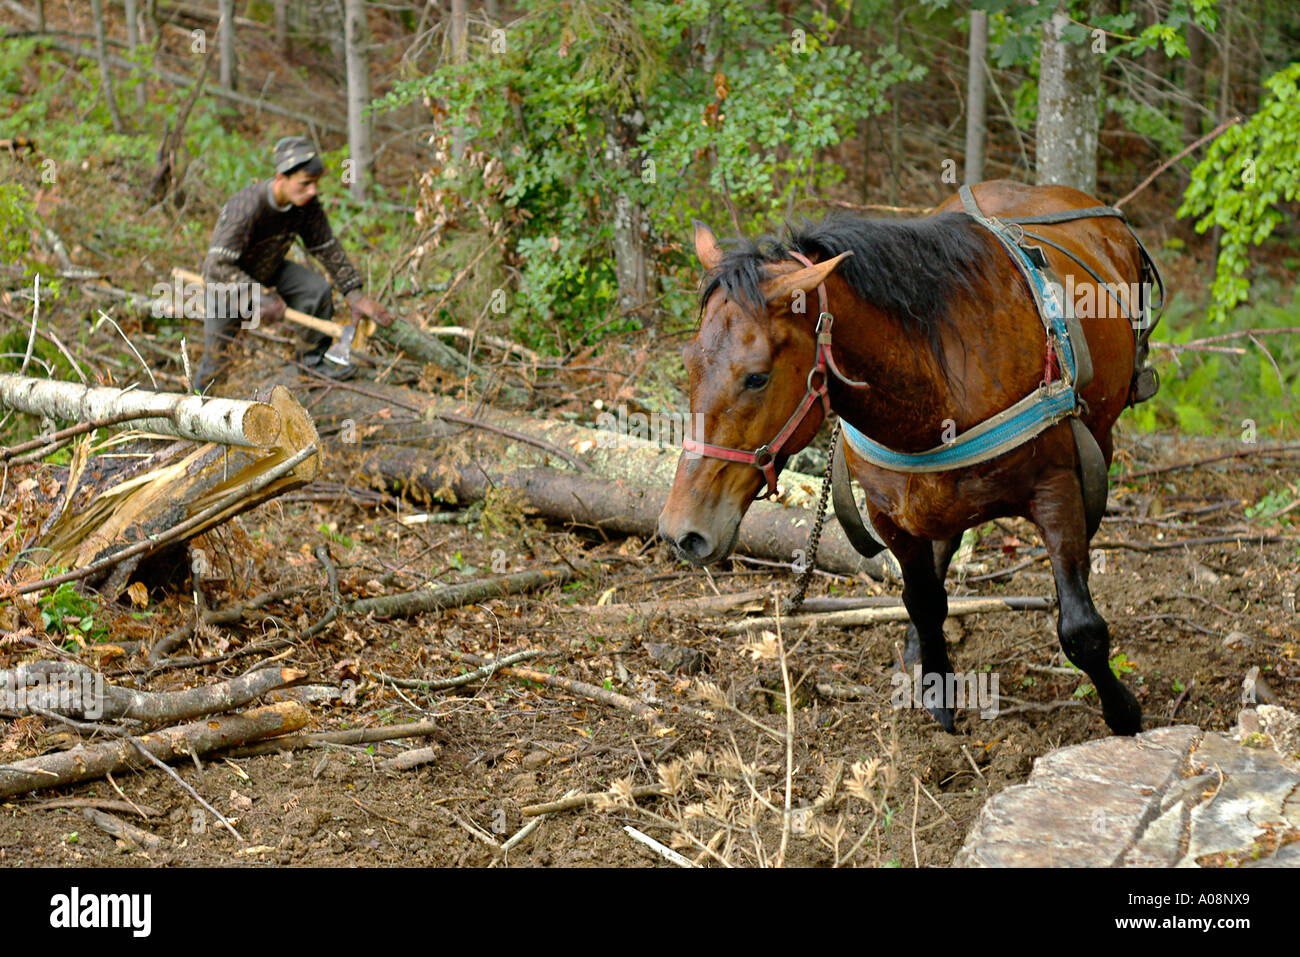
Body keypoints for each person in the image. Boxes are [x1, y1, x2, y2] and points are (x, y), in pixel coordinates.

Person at [194, 135, 393, 392]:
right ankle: (195, 409)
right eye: (305, 184)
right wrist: (257, 295)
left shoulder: (306, 206)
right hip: (227, 283)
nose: (312, 191)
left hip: (270, 269)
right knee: (217, 360)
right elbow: (214, 268)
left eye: (315, 184)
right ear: (280, 178)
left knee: (316, 290)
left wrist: (355, 294)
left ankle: (311, 365)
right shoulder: (245, 207)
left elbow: (326, 247)